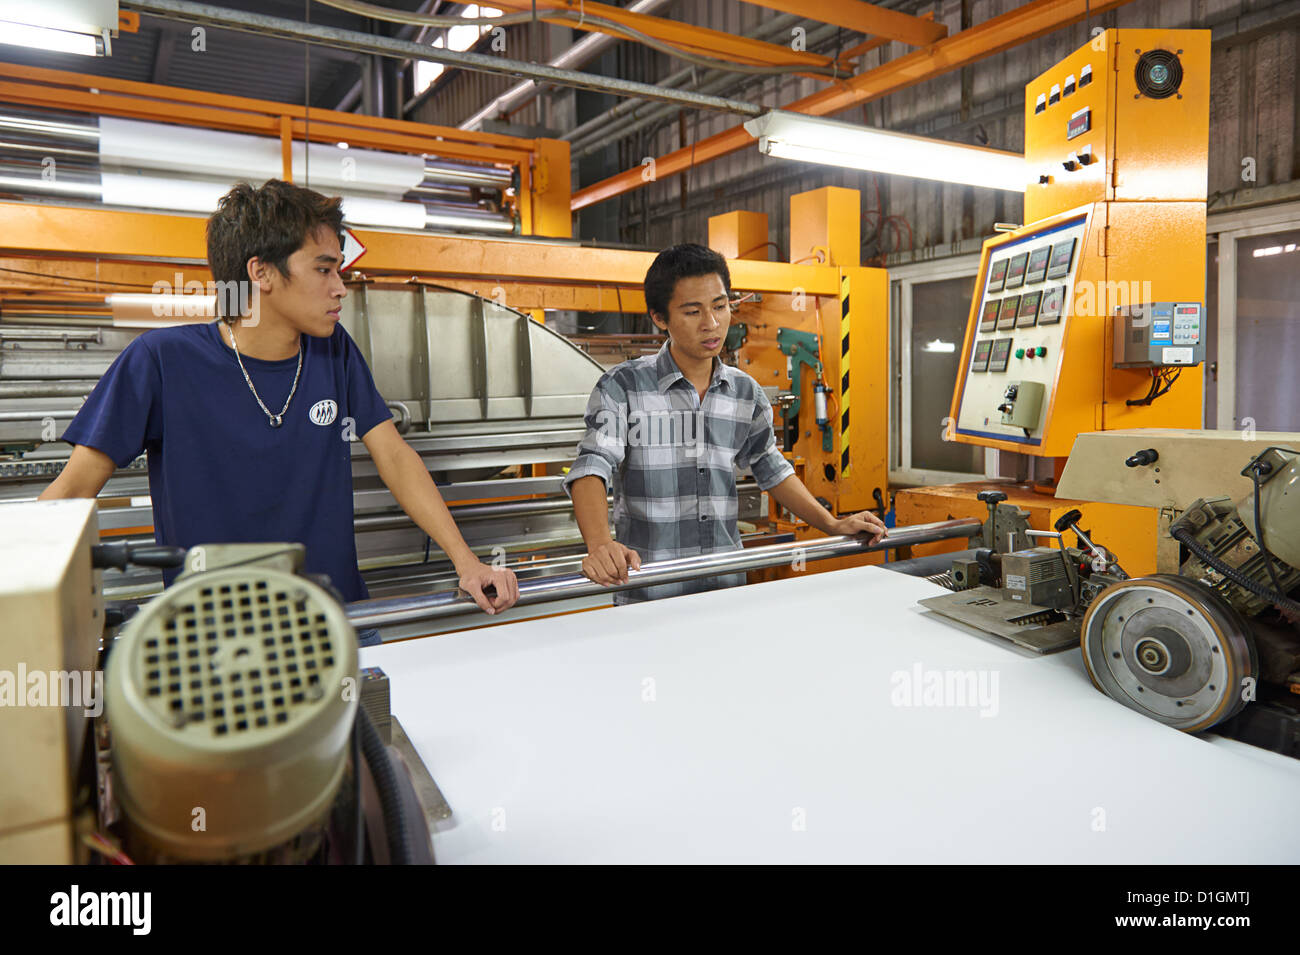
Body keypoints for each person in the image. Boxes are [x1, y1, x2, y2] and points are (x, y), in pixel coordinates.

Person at [40, 179, 518, 645]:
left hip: (338, 624)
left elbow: (393, 455)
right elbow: (72, 491)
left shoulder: (335, 354)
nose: (341, 289)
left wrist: (466, 562)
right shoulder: (160, 362)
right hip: (216, 649)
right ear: (261, 272)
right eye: (324, 269)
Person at [563, 242, 887, 603]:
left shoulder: (744, 392)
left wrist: (832, 524)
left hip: (725, 588)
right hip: (650, 591)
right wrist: (600, 544)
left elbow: (771, 468)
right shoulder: (623, 386)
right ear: (659, 317)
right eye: (692, 311)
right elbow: (592, 466)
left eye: (720, 306)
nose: (712, 323)